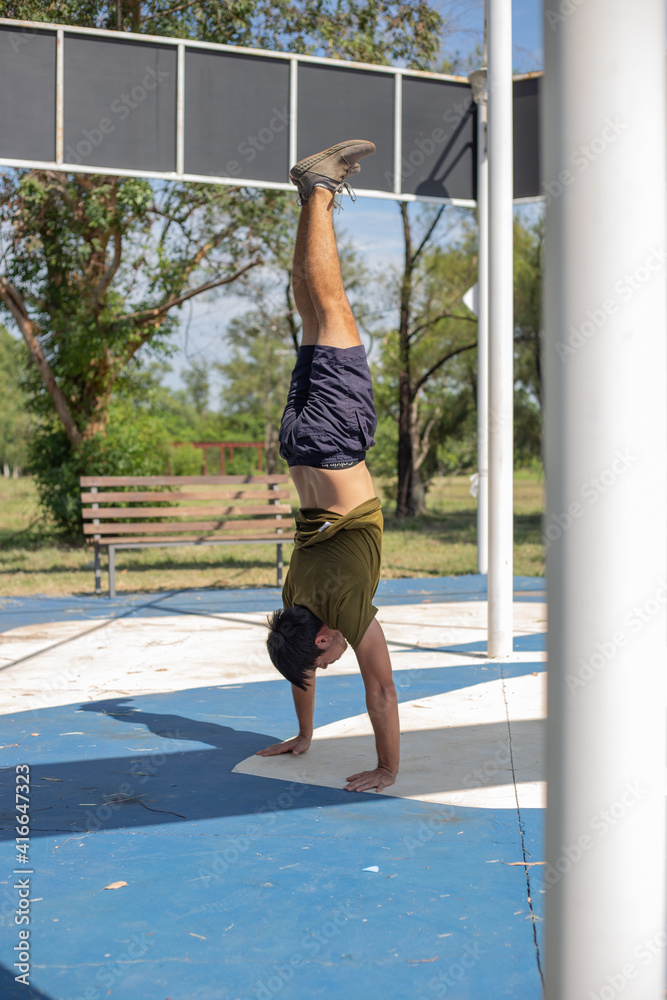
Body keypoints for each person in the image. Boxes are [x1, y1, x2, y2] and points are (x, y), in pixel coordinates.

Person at [257, 140, 399, 794]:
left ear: (321, 641)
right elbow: (301, 670)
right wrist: (305, 735)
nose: (335, 656)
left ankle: (316, 189)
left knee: (334, 308)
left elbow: (381, 687)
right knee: (311, 315)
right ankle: (308, 198)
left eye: (326, 656)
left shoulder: (343, 610)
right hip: (296, 446)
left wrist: (386, 766)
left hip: (337, 442)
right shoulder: (294, 605)